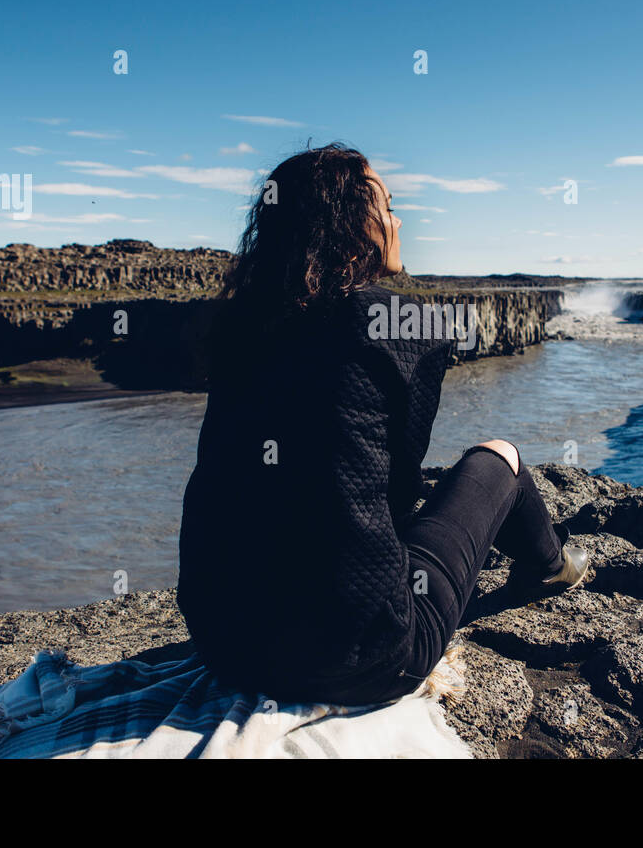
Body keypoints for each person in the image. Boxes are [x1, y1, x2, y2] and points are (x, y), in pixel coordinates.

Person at [176, 142, 589, 706]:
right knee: (498, 458)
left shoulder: (240, 327)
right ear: (351, 221)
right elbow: (393, 497)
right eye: (386, 205)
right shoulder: (404, 324)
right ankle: (551, 566)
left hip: (224, 644)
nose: (398, 221)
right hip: (362, 659)